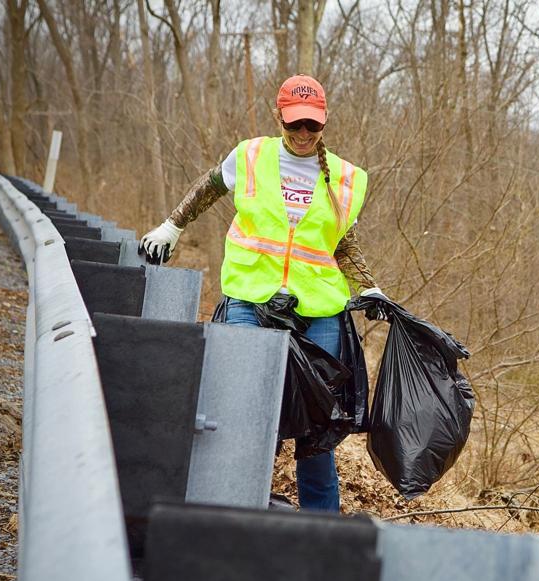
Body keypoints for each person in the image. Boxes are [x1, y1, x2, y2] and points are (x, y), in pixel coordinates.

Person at [138, 74, 385, 513]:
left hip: (318, 311)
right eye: (295, 125)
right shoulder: (252, 156)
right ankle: (232, 514)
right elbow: (209, 187)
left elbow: (342, 242)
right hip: (250, 301)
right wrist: (172, 226)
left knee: (317, 433)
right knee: (239, 414)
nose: (304, 135)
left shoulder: (345, 179)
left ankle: (318, 534)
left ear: (324, 123)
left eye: (313, 125)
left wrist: (369, 286)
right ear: (280, 118)